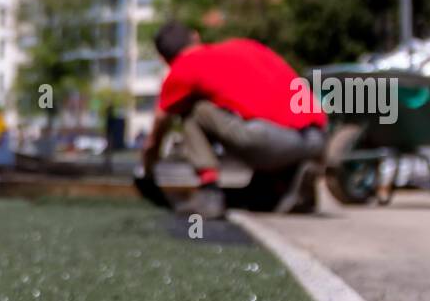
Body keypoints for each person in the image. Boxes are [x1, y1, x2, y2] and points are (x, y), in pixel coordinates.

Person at [140, 22, 326, 219]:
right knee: (261, 197)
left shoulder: (183, 67)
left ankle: (209, 193)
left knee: (194, 112)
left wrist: (149, 163)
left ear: (163, 58)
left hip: (267, 141)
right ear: (195, 37)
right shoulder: (246, 46)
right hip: (315, 138)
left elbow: (161, 121)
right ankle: (289, 183)